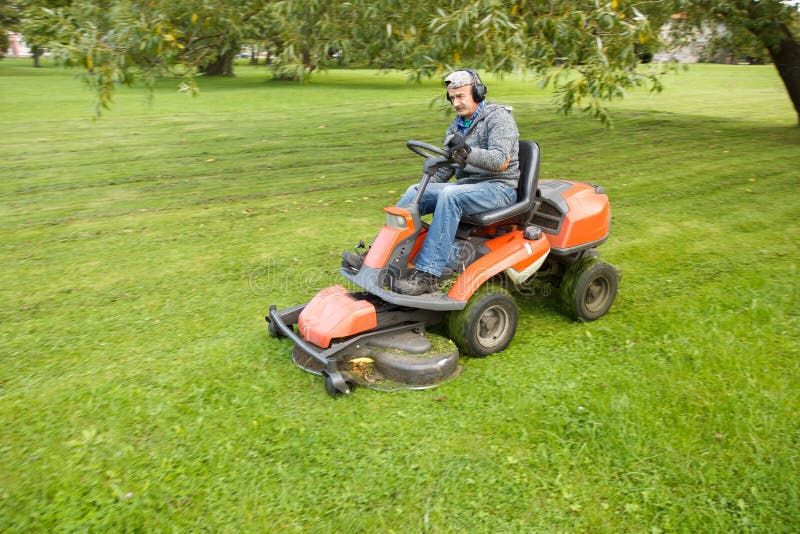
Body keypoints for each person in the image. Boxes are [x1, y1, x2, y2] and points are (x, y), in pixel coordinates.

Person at [392, 69, 521, 295]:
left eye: (460, 96)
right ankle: (384, 256)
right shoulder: (455, 126)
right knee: (415, 192)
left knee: (450, 196)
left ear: (478, 92)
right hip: (468, 187)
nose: (456, 103)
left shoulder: (499, 118)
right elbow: (449, 167)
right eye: (452, 98)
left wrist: (466, 151)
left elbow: (500, 161)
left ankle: (428, 274)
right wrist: (427, 182)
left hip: (499, 188)